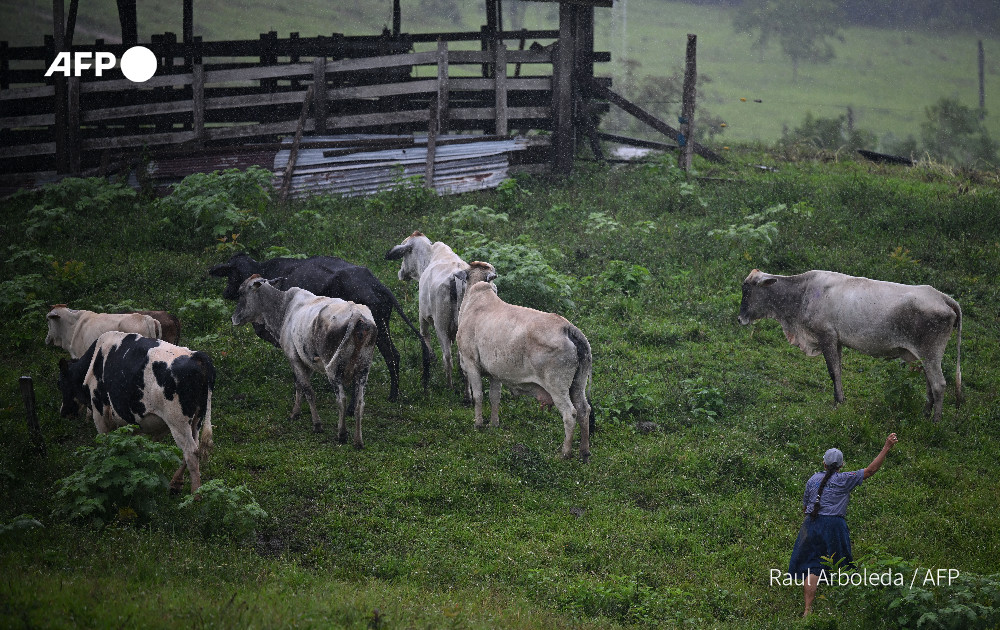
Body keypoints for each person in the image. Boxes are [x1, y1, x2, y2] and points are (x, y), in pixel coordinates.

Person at [788, 432, 898, 617]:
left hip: (811, 524)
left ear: (823, 463)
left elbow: (806, 507)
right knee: (843, 564)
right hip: (834, 525)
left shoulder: (812, 479)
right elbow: (870, 470)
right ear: (841, 465)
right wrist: (886, 447)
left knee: (812, 566)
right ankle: (847, 609)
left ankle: (808, 610)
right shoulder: (845, 478)